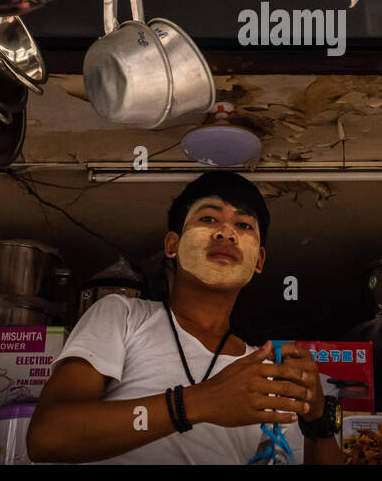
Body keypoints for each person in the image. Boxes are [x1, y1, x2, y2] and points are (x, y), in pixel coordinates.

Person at [28, 171, 344, 464]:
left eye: (244, 226)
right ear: (172, 245)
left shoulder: (264, 371)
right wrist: (196, 403)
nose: (227, 233)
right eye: (209, 218)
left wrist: (318, 421)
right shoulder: (123, 315)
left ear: (258, 260)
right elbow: (48, 436)